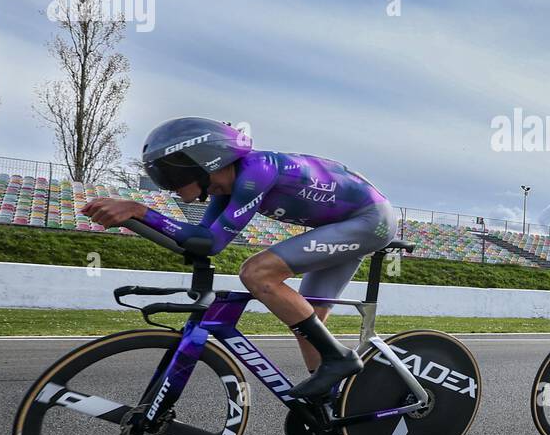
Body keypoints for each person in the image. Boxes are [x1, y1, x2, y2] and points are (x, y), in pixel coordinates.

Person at [82, 117, 397, 402]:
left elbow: (213, 242)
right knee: (307, 318)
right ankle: (329, 404)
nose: (171, 188)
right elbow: (200, 240)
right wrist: (135, 218)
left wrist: (140, 211)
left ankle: (340, 359)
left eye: (172, 178)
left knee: (257, 273)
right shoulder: (225, 188)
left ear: (201, 164)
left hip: (370, 220)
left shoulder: (255, 173)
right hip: (342, 224)